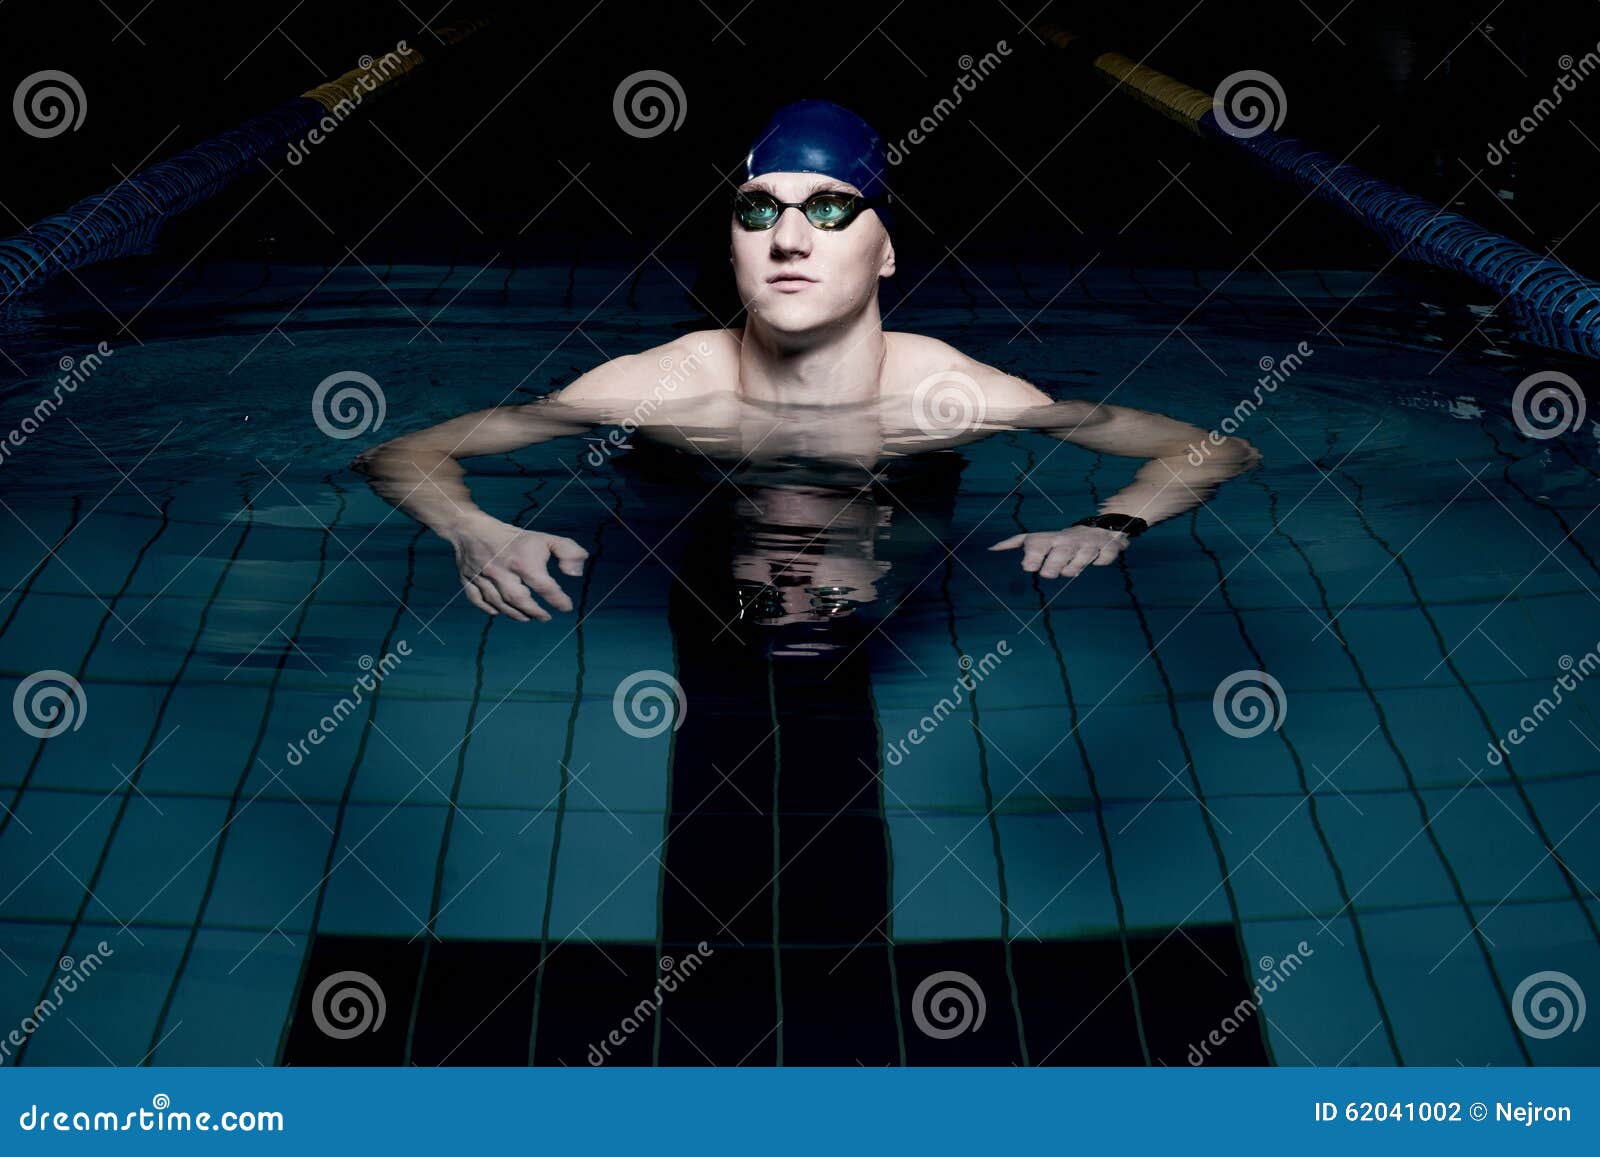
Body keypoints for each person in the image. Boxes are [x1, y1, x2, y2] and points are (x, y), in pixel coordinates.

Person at [356, 98, 1260, 624]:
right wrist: (473, 530)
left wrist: (1112, 524)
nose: (788, 237)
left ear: (887, 250)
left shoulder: (950, 392)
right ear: (734, 247)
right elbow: (400, 454)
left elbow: (1216, 448)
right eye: (757, 210)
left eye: (829, 208)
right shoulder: (658, 388)